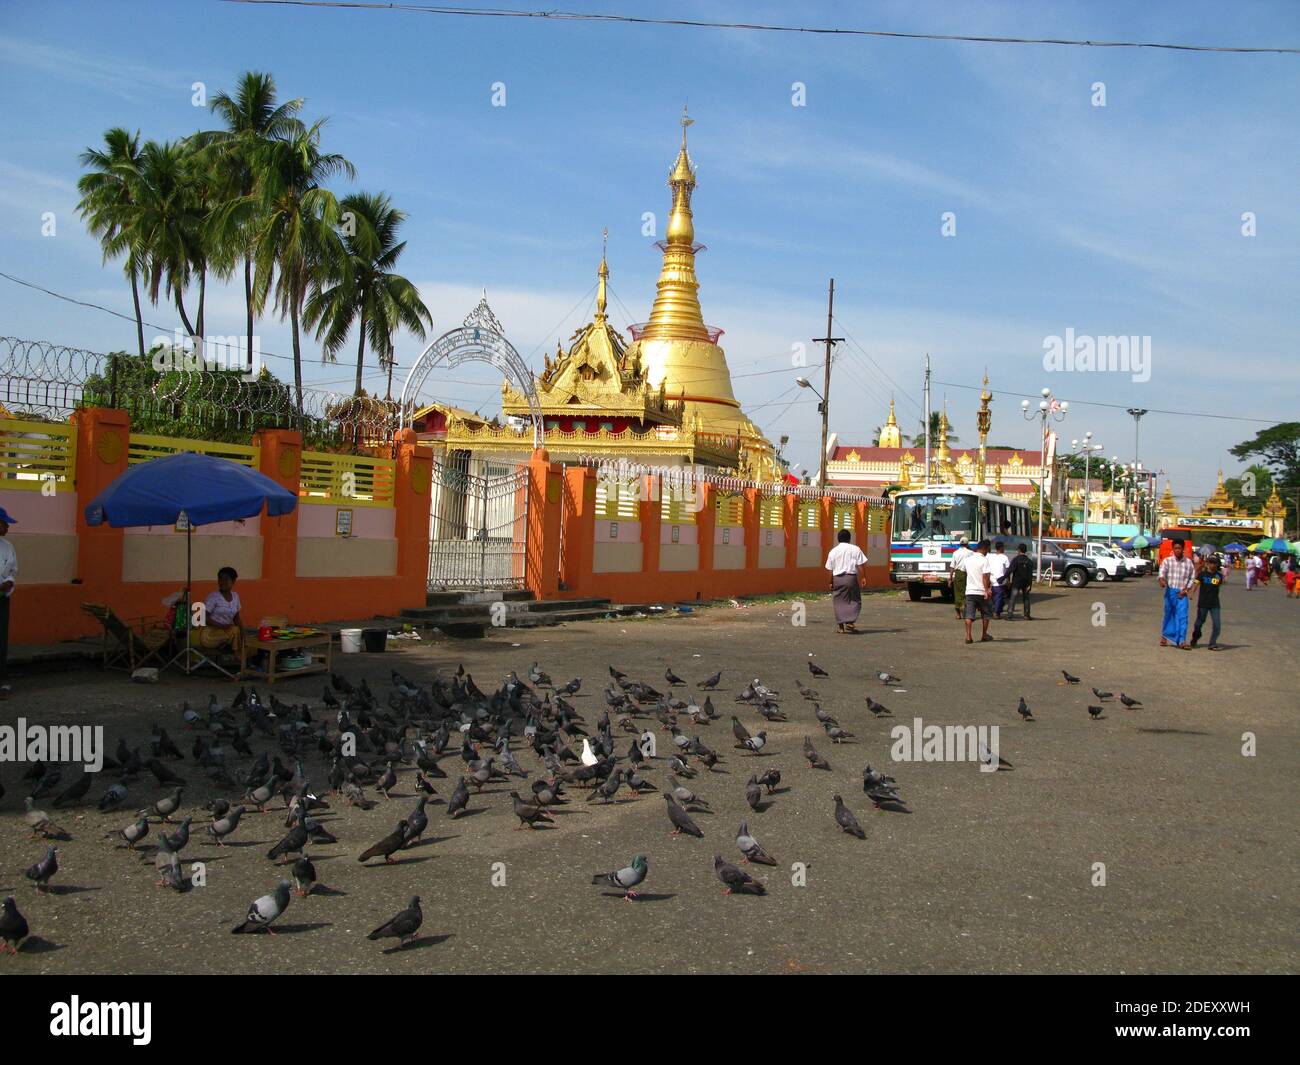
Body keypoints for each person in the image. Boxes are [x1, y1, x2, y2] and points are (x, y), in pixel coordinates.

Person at [825, 529, 868, 634]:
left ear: (838, 539)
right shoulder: (855, 549)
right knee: (854, 600)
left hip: (838, 579)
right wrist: (863, 577)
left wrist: (830, 582)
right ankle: (850, 621)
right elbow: (860, 565)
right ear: (849, 538)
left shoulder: (833, 551)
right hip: (851, 578)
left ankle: (840, 627)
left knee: (838, 601)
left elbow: (830, 569)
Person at [194, 566, 244, 654]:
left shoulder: (235, 596)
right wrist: (221, 626)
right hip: (209, 634)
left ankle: (240, 656)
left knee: (237, 631)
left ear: (233, 581)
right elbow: (203, 617)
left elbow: (237, 619)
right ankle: (238, 657)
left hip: (227, 633)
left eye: (226, 579)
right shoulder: (213, 597)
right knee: (234, 630)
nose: (222, 582)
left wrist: (243, 634)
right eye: (220, 579)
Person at [1158, 541, 1195, 648]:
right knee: (1169, 615)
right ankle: (1164, 637)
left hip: (1182, 593)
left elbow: (1192, 577)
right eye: (1175, 548)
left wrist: (1187, 589)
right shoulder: (1167, 561)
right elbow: (1162, 572)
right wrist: (1161, 580)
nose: (1177, 550)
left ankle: (1182, 640)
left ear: (1183, 549)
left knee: (1183, 616)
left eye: (1179, 548)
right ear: (1173, 549)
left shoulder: (1188, 563)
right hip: (1170, 592)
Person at [960, 539, 993, 644]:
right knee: (986, 613)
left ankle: (968, 636)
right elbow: (985, 577)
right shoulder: (984, 560)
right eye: (988, 549)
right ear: (985, 549)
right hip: (981, 592)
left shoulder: (968, 559)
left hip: (970, 591)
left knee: (969, 614)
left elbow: (964, 572)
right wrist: (987, 590)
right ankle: (984, 634)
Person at [1190, 555, 1224, 650]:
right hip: (1203, 603)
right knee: (1198, 624)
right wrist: (1192, 593)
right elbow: (1196, 583)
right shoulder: (1202, 574)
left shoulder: (1219, 576)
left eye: (1215, 563)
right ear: (1208, 564)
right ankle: (1195, 637)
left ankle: (1212, 643)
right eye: (1211, 563)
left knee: (1217, 625)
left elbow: (1219, 587)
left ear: (1217, 564)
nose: (1212, 565)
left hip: (1214, 604)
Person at [0, 507, 16, 696]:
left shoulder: (8, 547)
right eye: (5, 524)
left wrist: (9, 583)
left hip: (3, 599)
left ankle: (2, 678)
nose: (7, 528)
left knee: (1, 640)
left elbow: (12, 570)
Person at [1008, 542, 1034, 619]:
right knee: (1026, 598)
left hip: (1016, 582)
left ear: (1019, 550)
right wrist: (1030, 584)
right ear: (1025, 551)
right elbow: (1030, 574)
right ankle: (1027, 615)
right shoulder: (1029, 561)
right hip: (1026, 583)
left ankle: (1010, 615)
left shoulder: (1015, 560)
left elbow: (1010, 570)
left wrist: (1003, 578)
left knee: (1013, 598)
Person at [986, 541, 1011, 618]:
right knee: (999, 597)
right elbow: (1008, 570)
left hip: (991, 580)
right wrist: (1008, 580)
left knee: (995, 597)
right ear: (1001, 548)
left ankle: (996, 611)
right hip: (1000, 581)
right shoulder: (1004, 557)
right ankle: (996, 613)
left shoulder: (991, 556)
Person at [950, 536, 972, 619]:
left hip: (958, 574)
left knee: (958, 593)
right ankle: (964, 607)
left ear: (960, 544)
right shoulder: (970, 552)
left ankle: (958, 613)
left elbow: (952, 566)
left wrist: (950, 578)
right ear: (967, 544)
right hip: (968, 573)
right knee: (967, 592)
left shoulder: (955, 552)